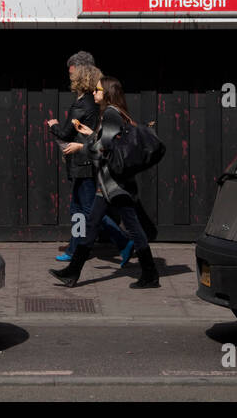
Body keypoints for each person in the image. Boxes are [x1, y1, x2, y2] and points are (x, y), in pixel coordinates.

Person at [50, 74, 160, 289]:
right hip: (114, 183)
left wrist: (82, 146)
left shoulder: (110, 113)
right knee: (92, 224)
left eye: (99, 90)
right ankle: (72, 272)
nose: (94, 92)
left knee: (133, 228)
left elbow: (103, 150)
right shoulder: (118, 113)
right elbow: (106, 142)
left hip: (115, 184)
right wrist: (91, 134)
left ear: (108, 94)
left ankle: (150, 274)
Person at [47, 55, 132, 263]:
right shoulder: (92, 104)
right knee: (77, 208)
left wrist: (53, 126)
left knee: (88, 210)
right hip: (86, 162)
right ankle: (74, 249)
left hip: (81, 162)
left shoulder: (81, 104)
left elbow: (66, 133)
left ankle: (123, 241)